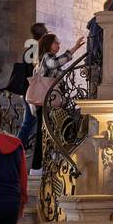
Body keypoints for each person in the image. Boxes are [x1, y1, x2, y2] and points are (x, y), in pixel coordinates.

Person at [29, 30, 86, 174]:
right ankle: (37, 166)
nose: (58, 45)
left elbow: (58, 73)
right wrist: (74, 48)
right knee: (45, 132)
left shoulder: (45, 59)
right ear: (48, 44)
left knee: (48, 131)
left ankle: (45, 162)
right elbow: (56, 63)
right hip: (45, 101)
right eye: (56, 42)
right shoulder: (47, 57)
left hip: (48, 101)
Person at [8, 21, 48, 149]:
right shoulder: (36, 50)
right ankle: (18, 146)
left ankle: (23, 145)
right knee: (29, 120)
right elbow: (34, 71)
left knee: (31, 120)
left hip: (28, 89)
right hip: (31, 89)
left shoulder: (31, 49)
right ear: (43, 34)